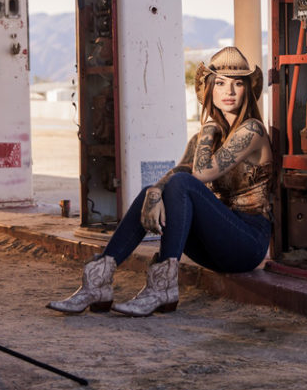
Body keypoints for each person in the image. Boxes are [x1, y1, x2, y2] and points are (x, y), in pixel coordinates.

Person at [48, 46, 274, 317]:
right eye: (221, 84)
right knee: (153, 191)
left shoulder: (252, 130)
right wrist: (155, 193)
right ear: (210, 90)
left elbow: (199, 174)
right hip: (217, 241)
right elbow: (176, 174)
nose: (229, 92)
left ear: (247, 90)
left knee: (181, 183)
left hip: (247, 242)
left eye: (238, 84)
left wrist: (208, 128)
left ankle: (162, 288)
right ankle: (98, 281)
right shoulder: (203, 140)